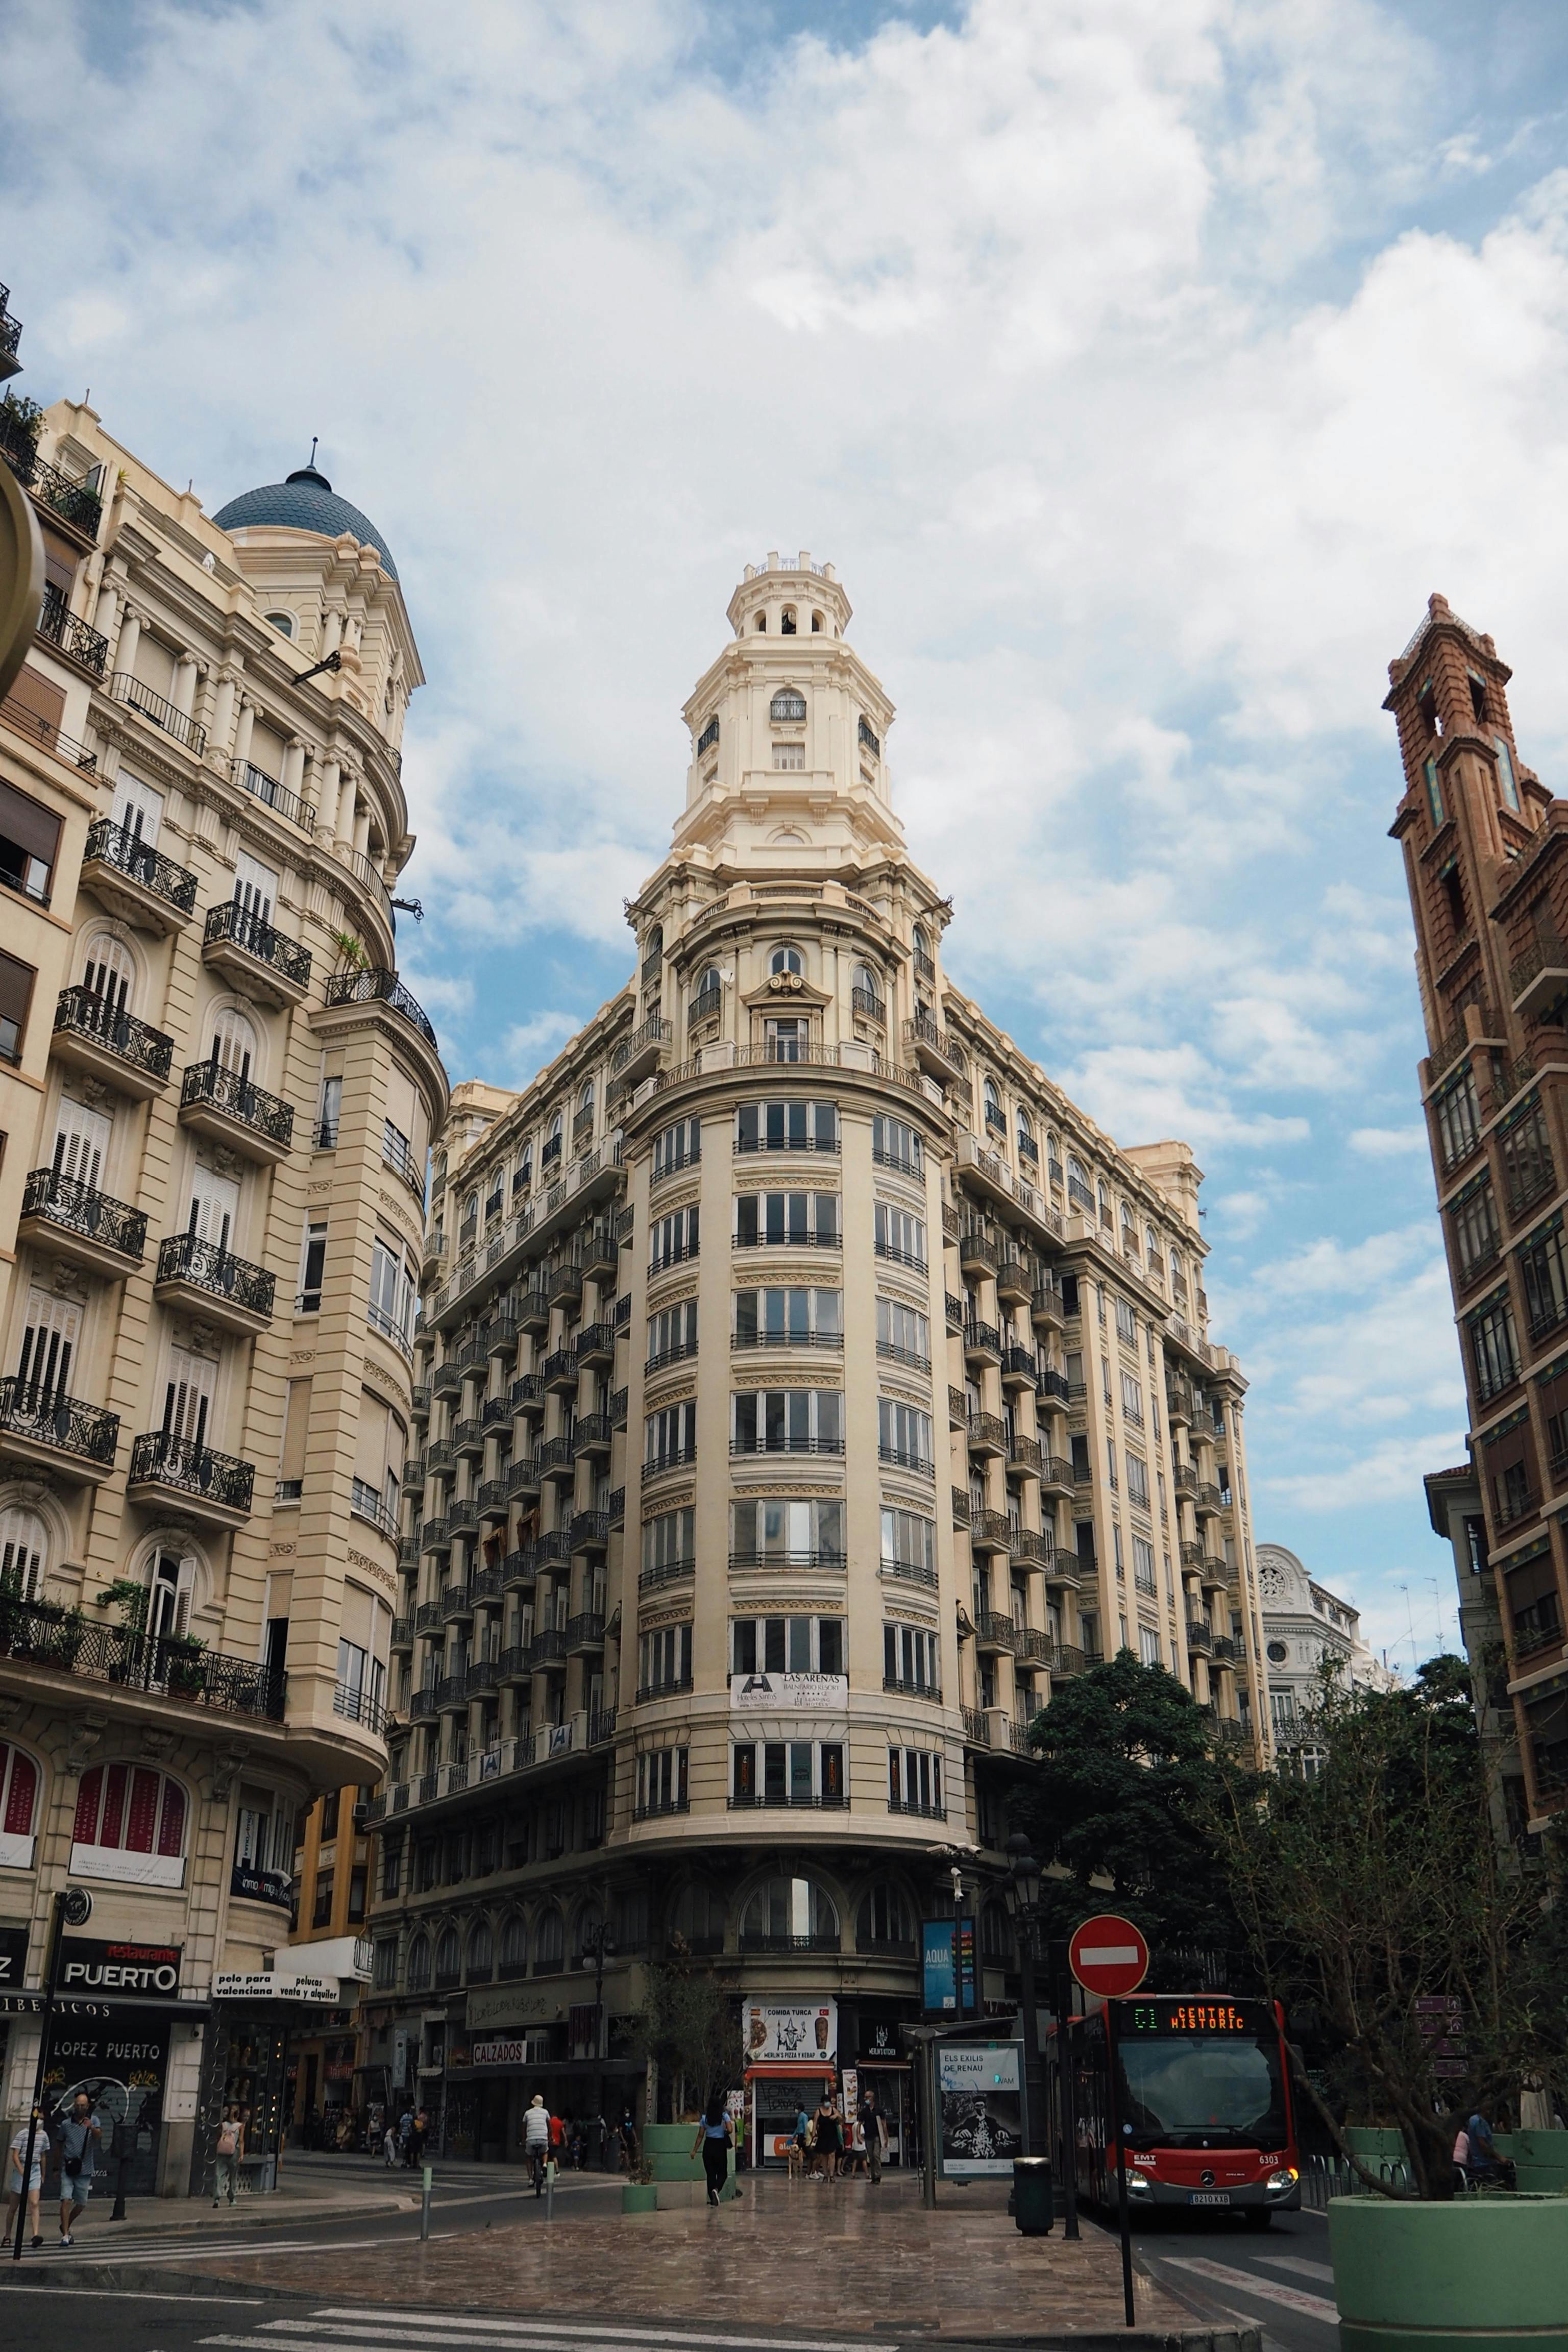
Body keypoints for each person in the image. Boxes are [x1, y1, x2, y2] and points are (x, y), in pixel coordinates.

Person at [57, 2091, 102, 2246]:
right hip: (69, 2167)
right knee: (66, 2200)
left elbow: (99, 2136)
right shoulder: (66, 2124)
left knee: (81, 2203)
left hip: (85, 2168)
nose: (80, 2108)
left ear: (88, 2106)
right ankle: (65, 2235)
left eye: (83, 2105)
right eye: (77, 2105)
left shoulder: (94, 2120)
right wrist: (56, 2168)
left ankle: (66, 2224)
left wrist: (92, 2128)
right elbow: (59, 2144)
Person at [5, 2110, 47, 2249]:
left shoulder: (44, 2136)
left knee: (34, 2203)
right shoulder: (23, 2134)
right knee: (14, 2206)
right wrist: (22, 2171)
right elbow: (15, 2155)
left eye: (42, 2119)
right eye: (38, 2118)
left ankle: (35, 2235)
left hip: (35, 2169)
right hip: (22, 2168)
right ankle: (7, 2235)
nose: (40, 2121)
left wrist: (43, 2174)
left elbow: (43, 2156)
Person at [691, 2093, 733, 2207]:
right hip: (720, 2146)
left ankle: (712, 2199)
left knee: (711, 2175)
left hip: (708, 2146)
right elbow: (730, 2130)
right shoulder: (724, 2116)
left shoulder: (704, 2118)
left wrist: (694, 2150)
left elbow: (700, 2136)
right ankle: (716, 2189)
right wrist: (724, 2129)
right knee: (723, 2173)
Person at [212, 2106, 243, 2207]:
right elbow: (241, 2141)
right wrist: (242, 2154)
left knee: (219, 2174)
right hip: (234, 2152)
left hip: (222, 2152)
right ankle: (232, 2199)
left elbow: (218, 2138)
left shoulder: (223, 2125)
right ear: (238, 2115)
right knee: (233, 2176)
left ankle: (217, 2198)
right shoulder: (240, 2126)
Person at [523, 2092, 551, 2194]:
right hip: (543, 2138)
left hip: (531, 2139)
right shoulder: (546, 2112)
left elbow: (524, 2127)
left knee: (529, 2156)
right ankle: (544, 2164)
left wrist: (523, 2139)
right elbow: (549, 2126)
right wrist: (550, 2137)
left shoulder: (527, 2113)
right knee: (546, 2151)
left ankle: (530, 2178)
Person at [858, 2087, 886, 2185]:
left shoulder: (879, 2110)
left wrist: (885, 2137)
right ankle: (873, 2176)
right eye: (865, 2097)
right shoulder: (864, 2111)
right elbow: (860, 2123)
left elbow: (884, 2124)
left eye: (868, 2097)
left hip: (877, 2135)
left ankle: (878, 2176)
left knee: (876, 2155)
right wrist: (859, 2135)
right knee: (871, 2156)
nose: (866, 2099)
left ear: (872, 2098)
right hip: (868, 2136)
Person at [814, 2094, 841, 2182]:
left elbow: (841, 2119)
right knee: (824, 2156)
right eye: (826, 2102)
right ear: (822, 2103)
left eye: (828, 2102)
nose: (827, 2103)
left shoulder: (834, 2110)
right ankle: (826, 2175)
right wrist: (814, 2134)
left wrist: (836, 2116)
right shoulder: (819, 2111)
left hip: (832, 2136)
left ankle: (832, 2175)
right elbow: (815, 2123)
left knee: (832, 2155)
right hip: (823, 2136)